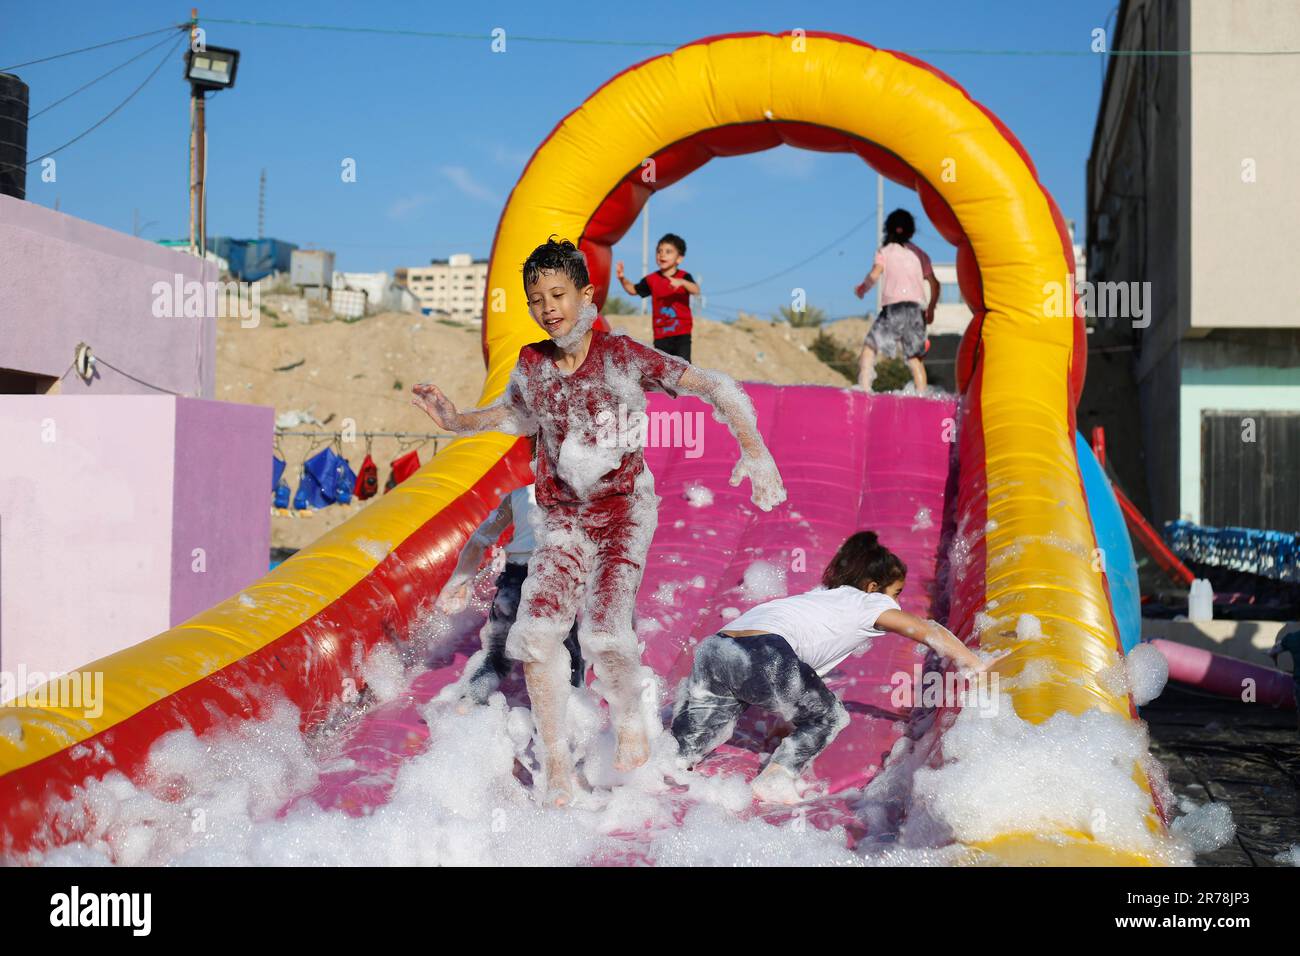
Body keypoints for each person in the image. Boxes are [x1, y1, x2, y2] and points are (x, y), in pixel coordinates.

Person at [412, 236, 785, 806]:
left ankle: (630, 715)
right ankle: (558, 770)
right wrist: (458, 419)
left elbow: (713, 385)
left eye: (558, 294)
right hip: (562, 516)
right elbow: (517, 414)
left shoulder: (622, 358)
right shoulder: (532, 363)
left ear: (586, 295)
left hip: (622, 512)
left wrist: (754, 450)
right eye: (535, 300)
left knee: (605, 632)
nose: (547, 308)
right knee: (534, 637)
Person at [670, 531, 987, 804]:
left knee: (689, 745)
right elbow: (923, 628)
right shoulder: (870, 602)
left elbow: (791, 680)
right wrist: (973, 662)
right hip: (766, 652)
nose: (897, 602)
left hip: (715, 649)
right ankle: (775, 779)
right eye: (896, 592)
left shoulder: (818, 598)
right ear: (874, 586)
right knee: (829, 716)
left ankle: (653, 771)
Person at [435, 477, 584, 706]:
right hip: (550, 578)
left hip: (513, 581)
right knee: (571, 655)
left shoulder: (518, 496)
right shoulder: (576, 495)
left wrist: (461, 580)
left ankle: (467, 704)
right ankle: (573, 713)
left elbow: (479, 540)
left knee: (497, 658)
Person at [853, 209, 940, 393]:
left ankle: (865, 390)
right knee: (914, 359)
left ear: (888, 229)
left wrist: (862, 289)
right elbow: (935, 284)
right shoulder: (920, 254)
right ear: (911, 230)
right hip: (916, 310)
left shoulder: (884, 252)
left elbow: (875, 275)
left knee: (870, 348)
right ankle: (921, 397)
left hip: (894, 309)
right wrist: (931, 309)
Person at [615, 232, 698, 362]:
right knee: (662, 370)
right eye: (659, 251)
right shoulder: (651, 279)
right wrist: (622, 278)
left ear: (679, 258)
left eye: (668, 251)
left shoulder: (684, 276)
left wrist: (682, 283)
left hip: (682, 334)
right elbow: (633, 290)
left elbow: (696, 290)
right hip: (661, 335)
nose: (662, 254)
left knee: (684, 367)